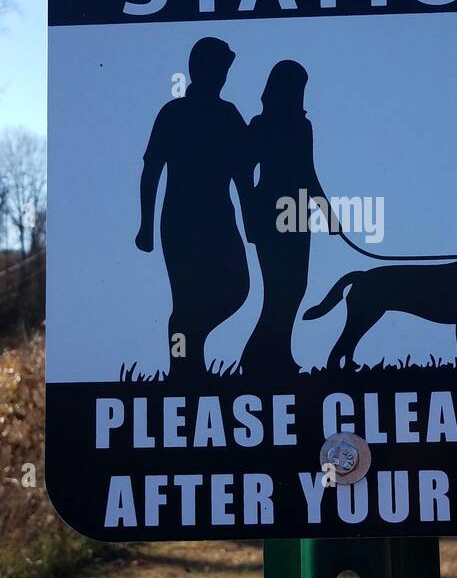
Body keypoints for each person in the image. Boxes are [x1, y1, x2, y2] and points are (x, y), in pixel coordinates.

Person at [136, 37, 250, 377]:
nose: (223, 77)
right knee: (184, 302)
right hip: (180, 223)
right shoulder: (173, 113)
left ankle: (189, 354)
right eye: (220, 69)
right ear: (204, 70)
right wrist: (144, 225)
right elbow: (151, 169)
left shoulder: (229, 115)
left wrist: (252, 220)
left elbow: (243, 174)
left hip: (219, 221)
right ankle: (183, 369)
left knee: (236, 288)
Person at [241, 59, 326, 377]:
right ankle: (257, 357)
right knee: (278, 287)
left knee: (296, 286)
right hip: (269, 211)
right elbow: (244, 172)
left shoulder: (303, 126)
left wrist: (325, 211)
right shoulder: (260, 125)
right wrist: (250, 214)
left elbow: (309, 172)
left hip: (298, 212)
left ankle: (280, 353)